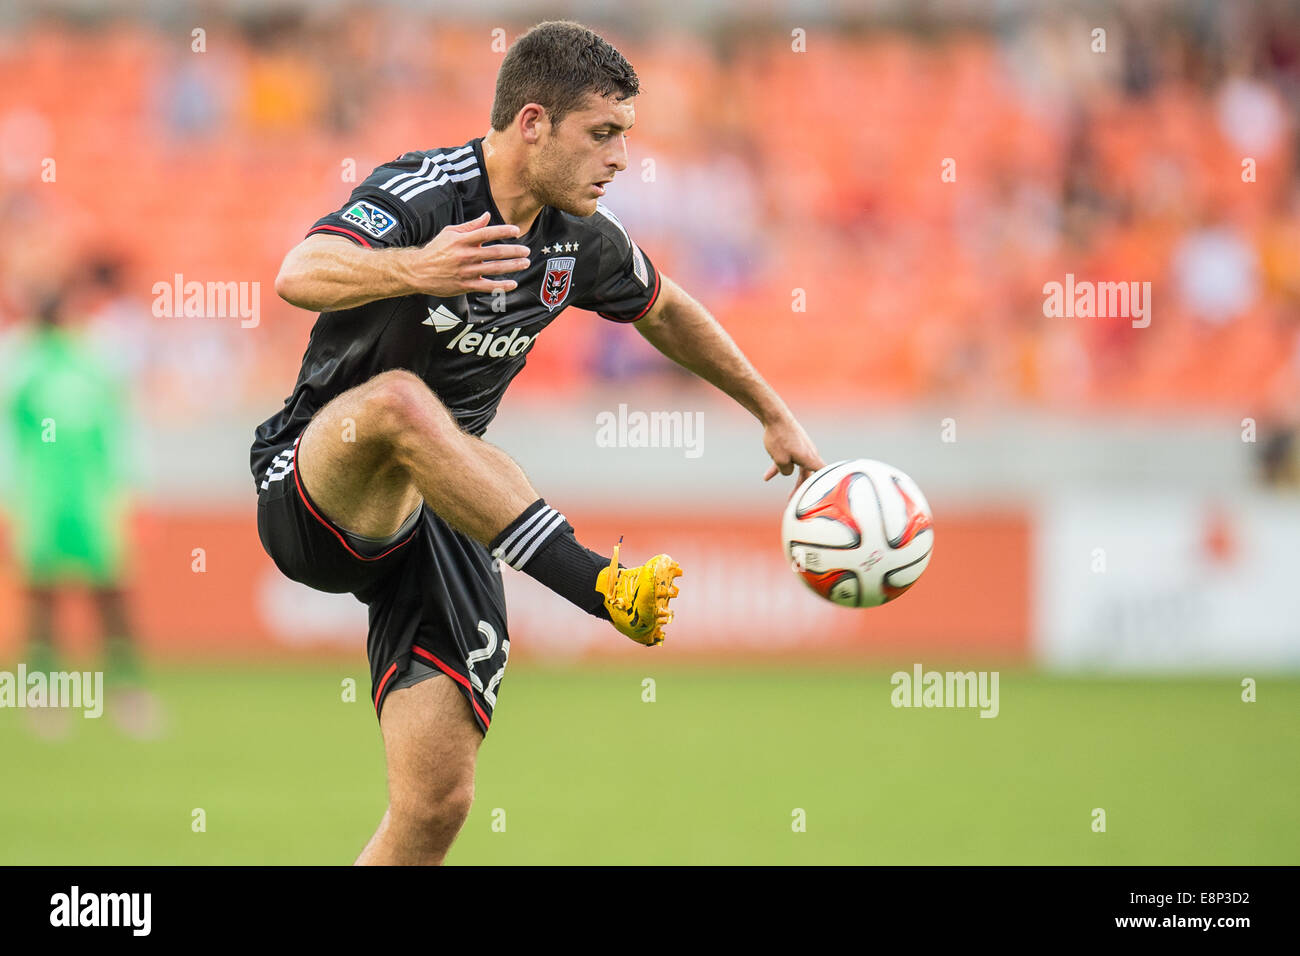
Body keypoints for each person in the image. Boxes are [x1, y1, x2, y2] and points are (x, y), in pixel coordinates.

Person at [252, 20, 823, 865]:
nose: (622, 158)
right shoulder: (425, 193)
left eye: (625, 135)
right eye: (603, 134)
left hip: (440, 515)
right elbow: (299, 271)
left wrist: (771, 410)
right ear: (531, 123)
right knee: (407, 403)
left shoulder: (578, 238)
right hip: (320, 479)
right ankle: (598, 587)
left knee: (436, 802)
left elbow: (663, 307)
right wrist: (416, 268)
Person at [2, 287, 157, 737]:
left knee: (111, 596)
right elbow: (9, 438)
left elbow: (119, 431)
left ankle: (129, 693)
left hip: (93, 498)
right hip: (42, 497)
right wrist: (9, 498)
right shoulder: (22, 365)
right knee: (41, 599)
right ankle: (43, 697)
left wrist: (132, 492)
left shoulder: (97, 362)